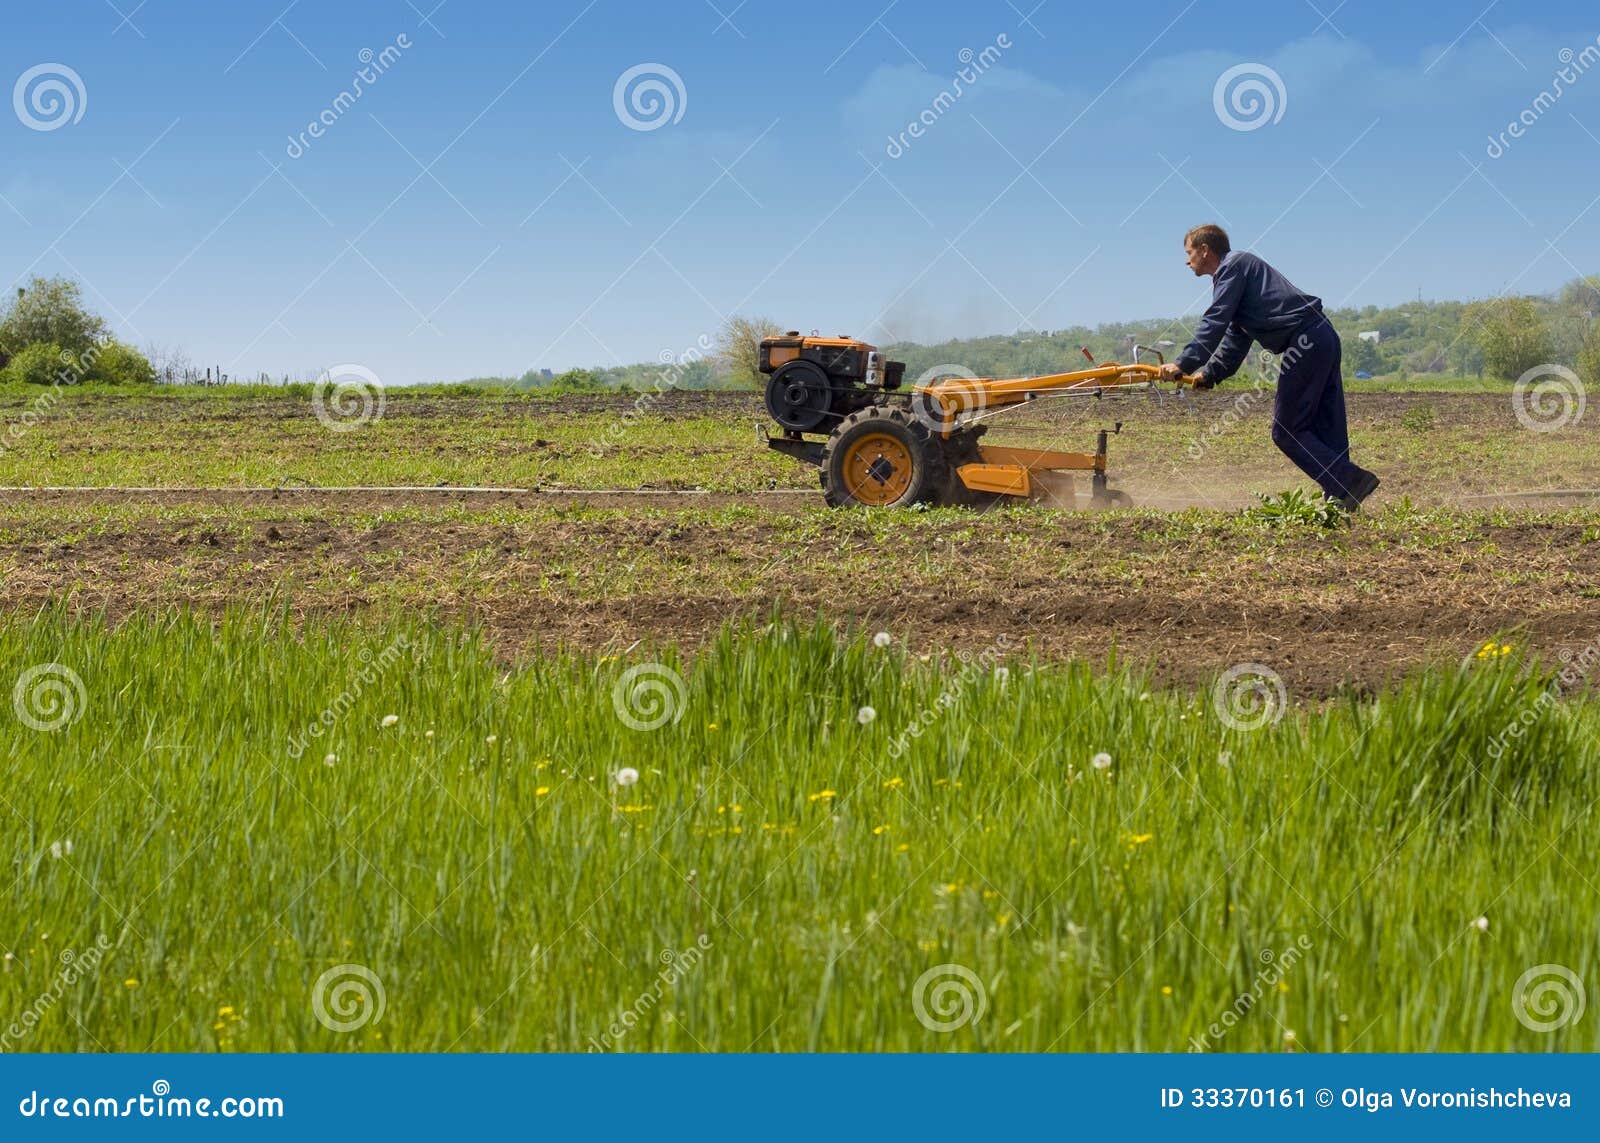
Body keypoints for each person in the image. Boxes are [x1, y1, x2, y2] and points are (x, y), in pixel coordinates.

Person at [1158, 224, 1380, 512]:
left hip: (1305, 340)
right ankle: (1340, 499)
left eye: (1188, 253)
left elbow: (1215, 321)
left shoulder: (1232, 266)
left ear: (1204, 250)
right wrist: (1210, 374)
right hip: (1321, 336)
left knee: (1286, 430)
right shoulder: (1239, 273)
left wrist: (1182, 363)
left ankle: (1350, 482)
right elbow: (1236, 339)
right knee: (1327, 424)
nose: (1187, 261)